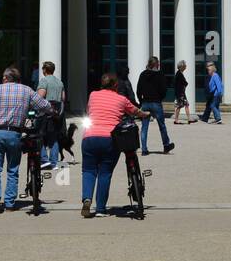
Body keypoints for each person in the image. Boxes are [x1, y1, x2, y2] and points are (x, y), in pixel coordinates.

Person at [0, 66, 53, 214]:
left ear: (5, 78)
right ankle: (9, 204)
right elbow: (44, 105)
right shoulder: (26, 90)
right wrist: (52, 110)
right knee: (12, 169)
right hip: (14, 134)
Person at [80, 73, 147, 218]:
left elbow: (89, 110)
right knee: (105, 172)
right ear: (115, 85)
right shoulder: (121, 99)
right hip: (109, 139)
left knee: (88, 170)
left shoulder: (93, 95)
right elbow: (135, 111)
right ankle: (100, 209)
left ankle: (86, 199)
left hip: (90, 137)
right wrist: (145, 114)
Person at [135, 56, 173, 156]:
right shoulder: (160, 74)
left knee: (144, 127)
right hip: (156, 102)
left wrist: (141, 101)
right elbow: (164, 89)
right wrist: (160, 98)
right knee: (162, 125)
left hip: (146, 102)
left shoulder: (143, 74)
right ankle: (166, 145)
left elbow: (138, 90)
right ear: (156, 64)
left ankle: (144, 149)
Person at [36, 61, 66, 170]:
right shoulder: (59, 82)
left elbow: (39, 97)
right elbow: (63, 98)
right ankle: (54, 163)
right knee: (54, 138)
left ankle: (44, 161)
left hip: (45, 113)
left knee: (39, 136)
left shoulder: (44, 81)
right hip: (57, 114)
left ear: (44, 70)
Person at [172, 60, 193, 124]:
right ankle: (176, 120)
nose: (186, 67)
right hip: (180, 93)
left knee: (186, 105)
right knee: (179, 106)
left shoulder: (179, 73)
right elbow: (180, 84)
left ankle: (189, 119)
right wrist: (185, 84)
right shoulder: (179, 74)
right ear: (182, 66)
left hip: (181, 93)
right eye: (185, 66)